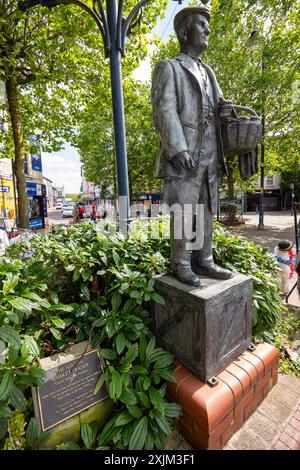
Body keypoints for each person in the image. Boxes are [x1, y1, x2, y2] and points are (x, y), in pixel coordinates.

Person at [151, 6, 234, 287]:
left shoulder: (209, 72)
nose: (207, 30)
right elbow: (165, 109)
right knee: (183, 210)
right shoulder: (169, 67)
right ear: (185, 32)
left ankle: (205, 260)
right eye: (201, 24)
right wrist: (178, 148)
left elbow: (217, 108)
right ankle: (181, 264)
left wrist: (225, 111)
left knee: (208, 208)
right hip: (185, 153)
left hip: (212, 152)